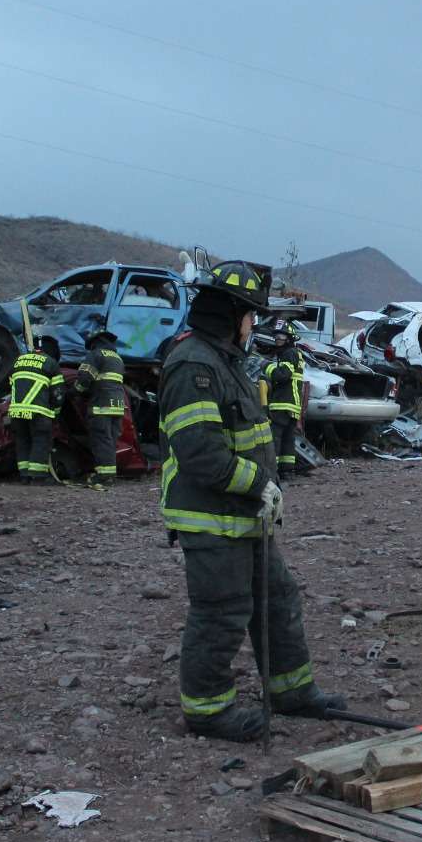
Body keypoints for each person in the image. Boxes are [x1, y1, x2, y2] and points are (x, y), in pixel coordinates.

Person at [160, 259, 344, 741]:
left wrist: (262, 487)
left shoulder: (225, 361)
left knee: (277, 600)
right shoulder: (194, 365)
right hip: (210, 518)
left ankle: (291, 692)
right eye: (249, 315)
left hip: (244, 515)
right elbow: (200, 453)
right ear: (230, 314)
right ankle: (207, 711)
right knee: (221, 612)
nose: (252, 325)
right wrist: (258, 484)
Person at [74, 324, 125, 489]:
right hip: (117, 406)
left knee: (101, 441)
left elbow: (85, 378)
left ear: (94, 343)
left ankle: (104, 476)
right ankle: (108, 474)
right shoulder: (117, 358)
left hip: (101, 405)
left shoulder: (96, 355)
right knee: (109, 440)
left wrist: (75, 392)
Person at [8, 336, 63, 484]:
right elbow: (58, 394)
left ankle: (24, 476)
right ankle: (38, 476)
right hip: (39, 412)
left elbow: (10, 384)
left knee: (22, 441)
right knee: (41, 441)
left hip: (16, 411)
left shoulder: (18, 360)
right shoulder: (51, 364)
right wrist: (56, 414)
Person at [257, 318, 304, 480]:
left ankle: (272, 471)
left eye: (282, 336)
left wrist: (265, 365)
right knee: (287, 439)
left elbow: (282, 375)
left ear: (289, 338)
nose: (278, 339)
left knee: (274, 437)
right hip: (292, 405)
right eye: (276, 336)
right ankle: (287, 471)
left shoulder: (288, 353)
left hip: (283, 403)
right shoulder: (295, 353)